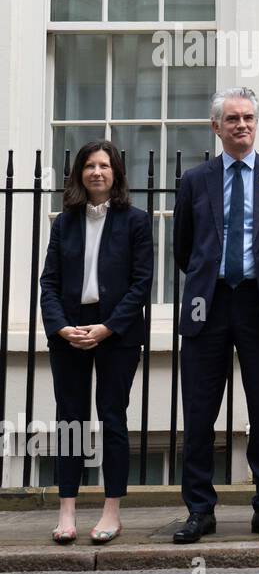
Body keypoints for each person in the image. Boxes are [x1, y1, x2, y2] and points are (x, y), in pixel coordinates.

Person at [171, 87, 259, 543]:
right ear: (216, 127)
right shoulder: (196, 180)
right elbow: (183, 249)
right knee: (198, 412)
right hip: (207, 305)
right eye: (231, 119)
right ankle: (199, 510)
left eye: (248, 118)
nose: (241, 125)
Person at [39, 140, 153, 545]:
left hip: (116, 332)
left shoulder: (136, 221)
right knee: (70, 419)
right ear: (80, 174)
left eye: (105, 165)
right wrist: (60, 327)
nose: (97, 172)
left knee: (112, 417)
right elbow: (48, 282)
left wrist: (108, 327)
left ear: (116, 173)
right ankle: (66, 511)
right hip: (70, 329)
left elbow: (141, 284)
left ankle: (111, 511)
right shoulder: (64, 222)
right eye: (90, 166)